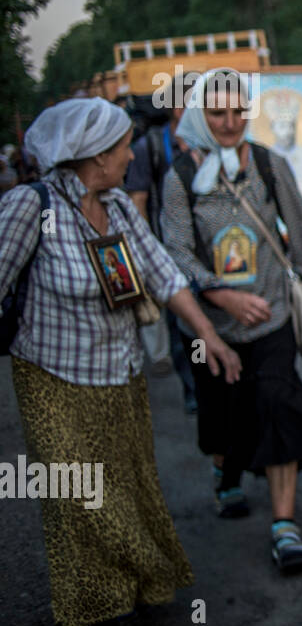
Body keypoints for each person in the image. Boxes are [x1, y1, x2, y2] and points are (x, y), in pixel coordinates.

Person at [0, 97, 242, 626]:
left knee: (125, 489)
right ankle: (103, 622)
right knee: (80, 500)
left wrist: (208, 332)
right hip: (51, 380)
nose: (131, 156)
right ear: (92, 156)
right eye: (121, 147)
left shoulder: (117, 205)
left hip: (120, 377)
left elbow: (161, 270)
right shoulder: (29, 206)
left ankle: (133, 585)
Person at [161, 70, 302, 570]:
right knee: (223, 417)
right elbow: (174, 252)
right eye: (217, 113)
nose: (229, 122)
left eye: (237, 112)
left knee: (276, 401)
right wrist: (219, 295)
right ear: (201, 114)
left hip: (273, 316)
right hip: (209, 330)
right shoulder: (179, 177)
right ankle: (226, 475)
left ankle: (285, 526)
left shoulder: (268, 164)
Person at [125, 91, 198, 411]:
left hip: (206, 248)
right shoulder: (149, 147)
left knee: (207, 313)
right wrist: (147, 248)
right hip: (166, 249)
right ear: (171, 107)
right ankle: (192, 387)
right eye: (183, 102)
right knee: (180, 320)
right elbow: (138, 200)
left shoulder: (205, 141)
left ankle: (213, 380)